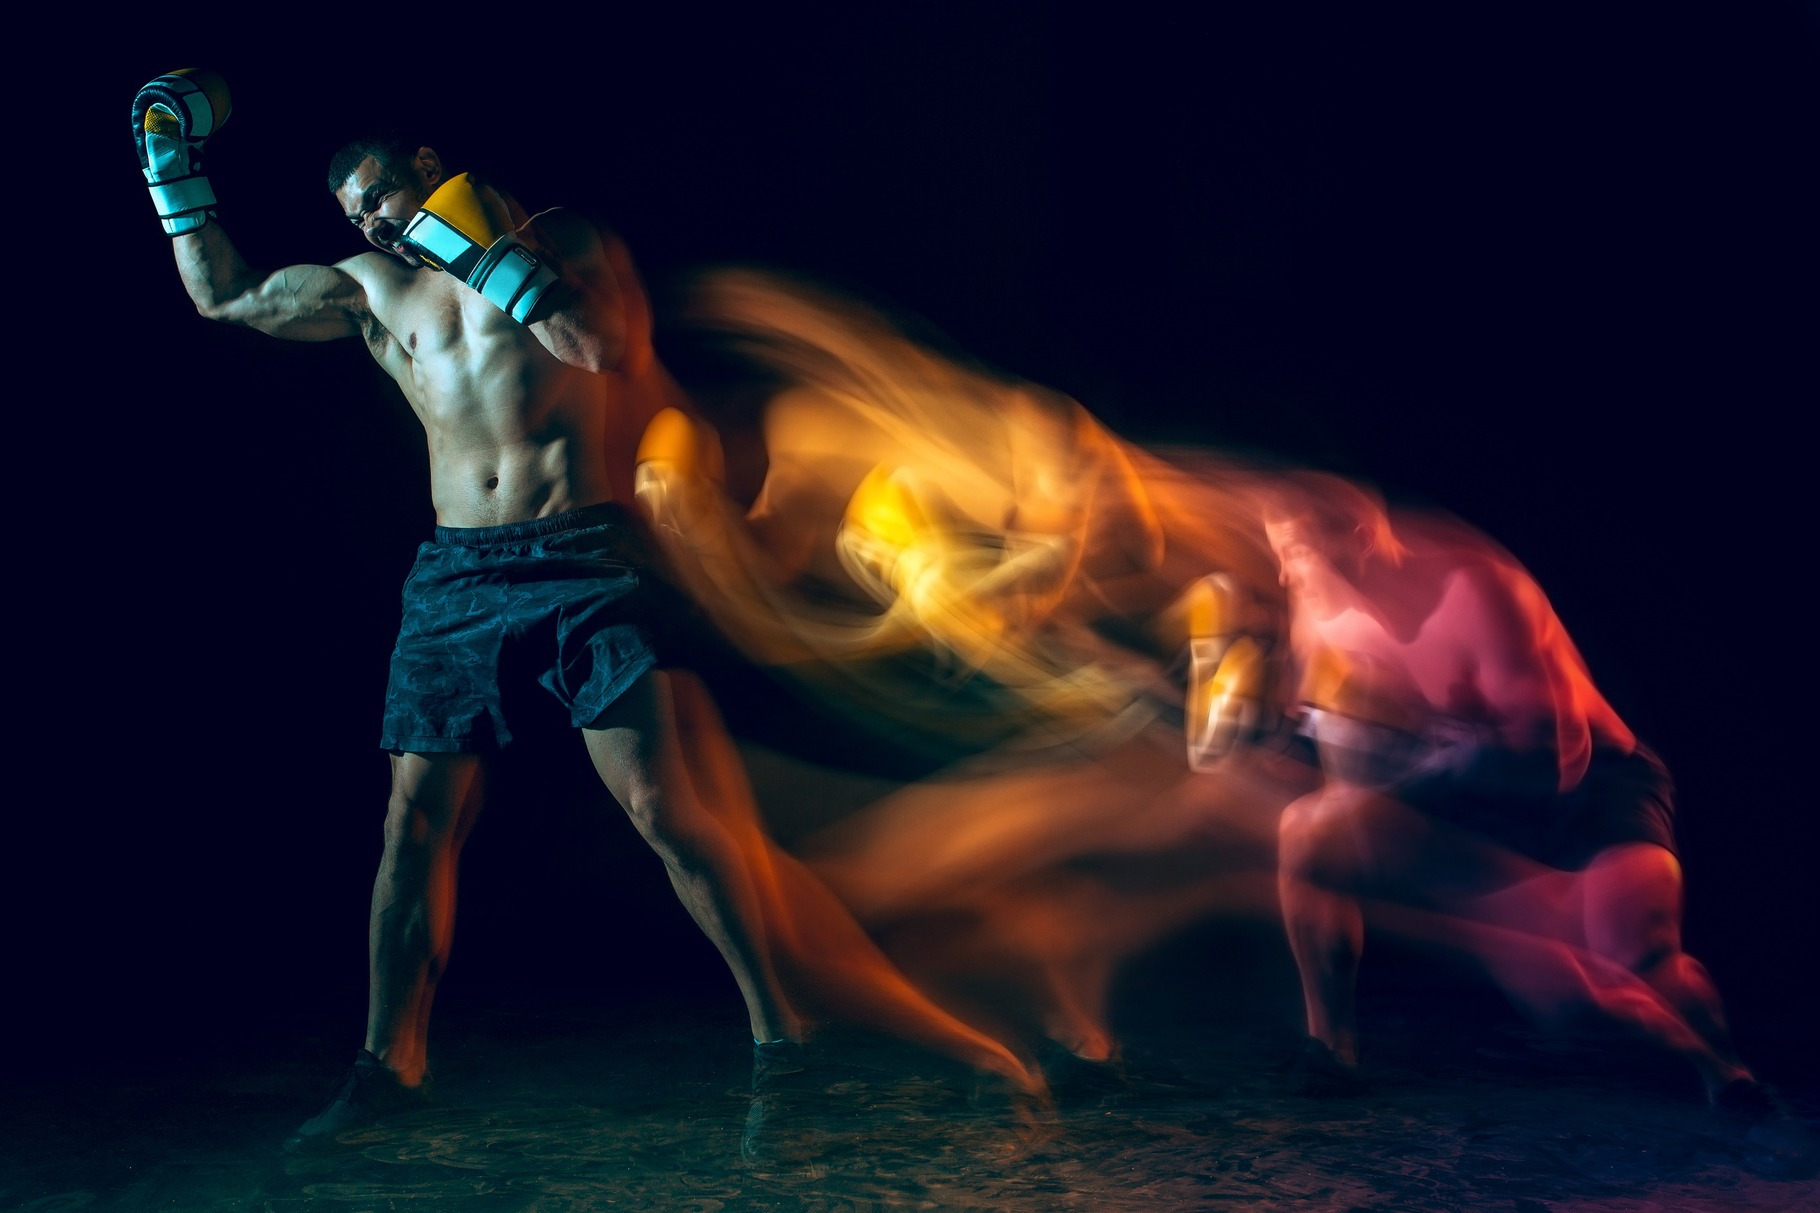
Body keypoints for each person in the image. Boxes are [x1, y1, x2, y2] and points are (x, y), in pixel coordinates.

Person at [130, 69, 1034, 1150]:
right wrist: (170, 173)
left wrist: (470, 245)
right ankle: (389, 1068)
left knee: (666, 812)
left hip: (584, 557)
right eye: (356, 216)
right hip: (456, 577)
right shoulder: (373, 287)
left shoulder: (567, 241)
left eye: (379, 196)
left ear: (429, 168)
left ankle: (783, 1039)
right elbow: (225, 297)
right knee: (412, 826)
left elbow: (601, 349)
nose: (372, 221)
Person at [1261, 472, 1801, 1143]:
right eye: (1278, 553)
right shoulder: (1319, 609)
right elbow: (1347, 771)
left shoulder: (1475, 588)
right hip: (1466, 790)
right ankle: (1332, 1050)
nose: (1286, 575)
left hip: (1593, 788)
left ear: (1363, 538)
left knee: (1636, 957)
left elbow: (1555, 759)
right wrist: (1295, 734)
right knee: (1310, 831)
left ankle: (1731, 1079)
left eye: (1297, 552)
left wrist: (1414, 756)